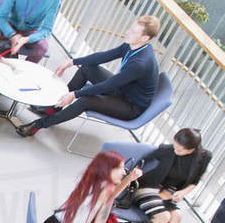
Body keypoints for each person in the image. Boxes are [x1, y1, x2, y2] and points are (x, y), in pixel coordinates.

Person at [17, 15, 160, 137]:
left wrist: (75, 94)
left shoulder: (141, 63)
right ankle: (54, 106)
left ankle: (39, 125)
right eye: (131, 28)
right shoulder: (132, 45)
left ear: (145, 38)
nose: (127, 32)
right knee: (86, 69)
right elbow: (104, 56)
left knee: (85, 100)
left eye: (133, 31)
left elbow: (108, 85)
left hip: (130, 106)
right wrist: (72, 62)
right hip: (123, 90)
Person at [41, 151, 140, 223]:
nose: (124, 172)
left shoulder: (87, 177)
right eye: (120, 168)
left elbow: (110, 194)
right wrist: (109, 200)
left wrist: (129, 179)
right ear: (109, 169)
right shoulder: (106, 190)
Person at [131, 128, 213, 223]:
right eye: (174, 145)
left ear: (192, 149)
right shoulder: (167, 149)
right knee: (163, 217)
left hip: (168, 194)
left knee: (177, 216)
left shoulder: (204, 157)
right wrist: (136, 171)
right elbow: (143, 161)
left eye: (179, 150)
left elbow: (195, 180)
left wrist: (182, 193)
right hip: (147, 188)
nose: (175, 150)